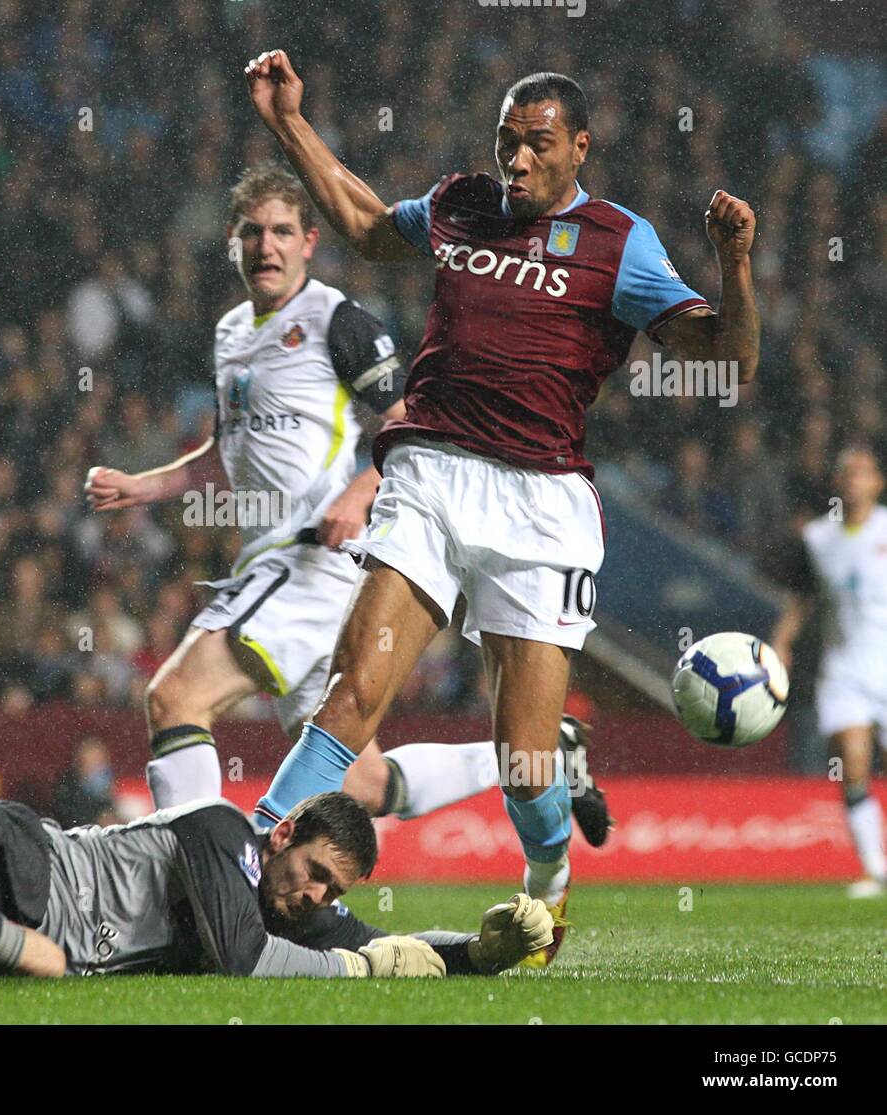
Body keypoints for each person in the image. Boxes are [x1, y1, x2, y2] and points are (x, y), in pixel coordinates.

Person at [241, 52, 760, 964]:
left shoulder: (619, 240)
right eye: (507, 143)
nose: (517, 162)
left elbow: (730, 355)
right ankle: (254, 858)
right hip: (432, 475)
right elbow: (365, 224)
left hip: (540, 505)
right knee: (356, 689)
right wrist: (289, 122)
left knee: (524, 766)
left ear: (580, 148)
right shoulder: (461, 204)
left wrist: (735, 265)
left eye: (538, 146)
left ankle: (548, 889)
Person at [85, 163, 612, 845]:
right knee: (367, 783)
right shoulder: (230, 333)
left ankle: (194, 876)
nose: (266, 246)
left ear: (310, 240)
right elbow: (228, 450)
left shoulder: (337, 320)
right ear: (232, 241)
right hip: (273, 563)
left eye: (281, 231)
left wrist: (361, 490)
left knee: (175, 696)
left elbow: (411, 420)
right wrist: (143, 486)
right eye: (252, 232)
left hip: (310, 560)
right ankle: (547, 751)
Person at [0, 657, 555, 978]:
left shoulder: (305, 911)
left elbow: (385, 941)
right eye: (313, 870)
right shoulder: (219, 831)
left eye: (331, 891)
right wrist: (354, 975)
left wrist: (478, 953)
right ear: (280, 833)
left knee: (46, 960)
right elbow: (241, 958)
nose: (316, 896)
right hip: (34, 865)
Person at [772, 447, 887, 898]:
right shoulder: (818, 537)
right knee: (853, 765)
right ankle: (875, 869)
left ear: (878, 482)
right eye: (846, 473)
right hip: (844, 670)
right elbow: (802, 596)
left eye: (862, 472)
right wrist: (781, 640)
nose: (854, 480)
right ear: (836, 484)